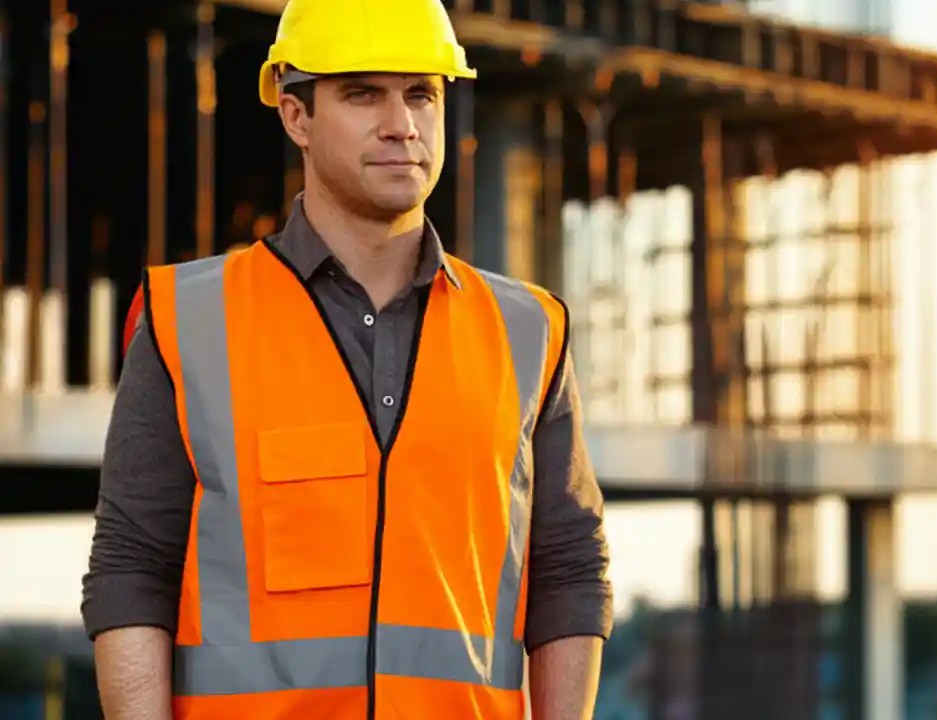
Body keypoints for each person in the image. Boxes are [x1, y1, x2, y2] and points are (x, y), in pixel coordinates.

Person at [81, 0, 613, 718]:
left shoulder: (529, 331)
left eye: (422, 93)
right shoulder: (187, 322)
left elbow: (570, 573)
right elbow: (132, 568)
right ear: (295, 116)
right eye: (364, 94)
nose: (403, 124)